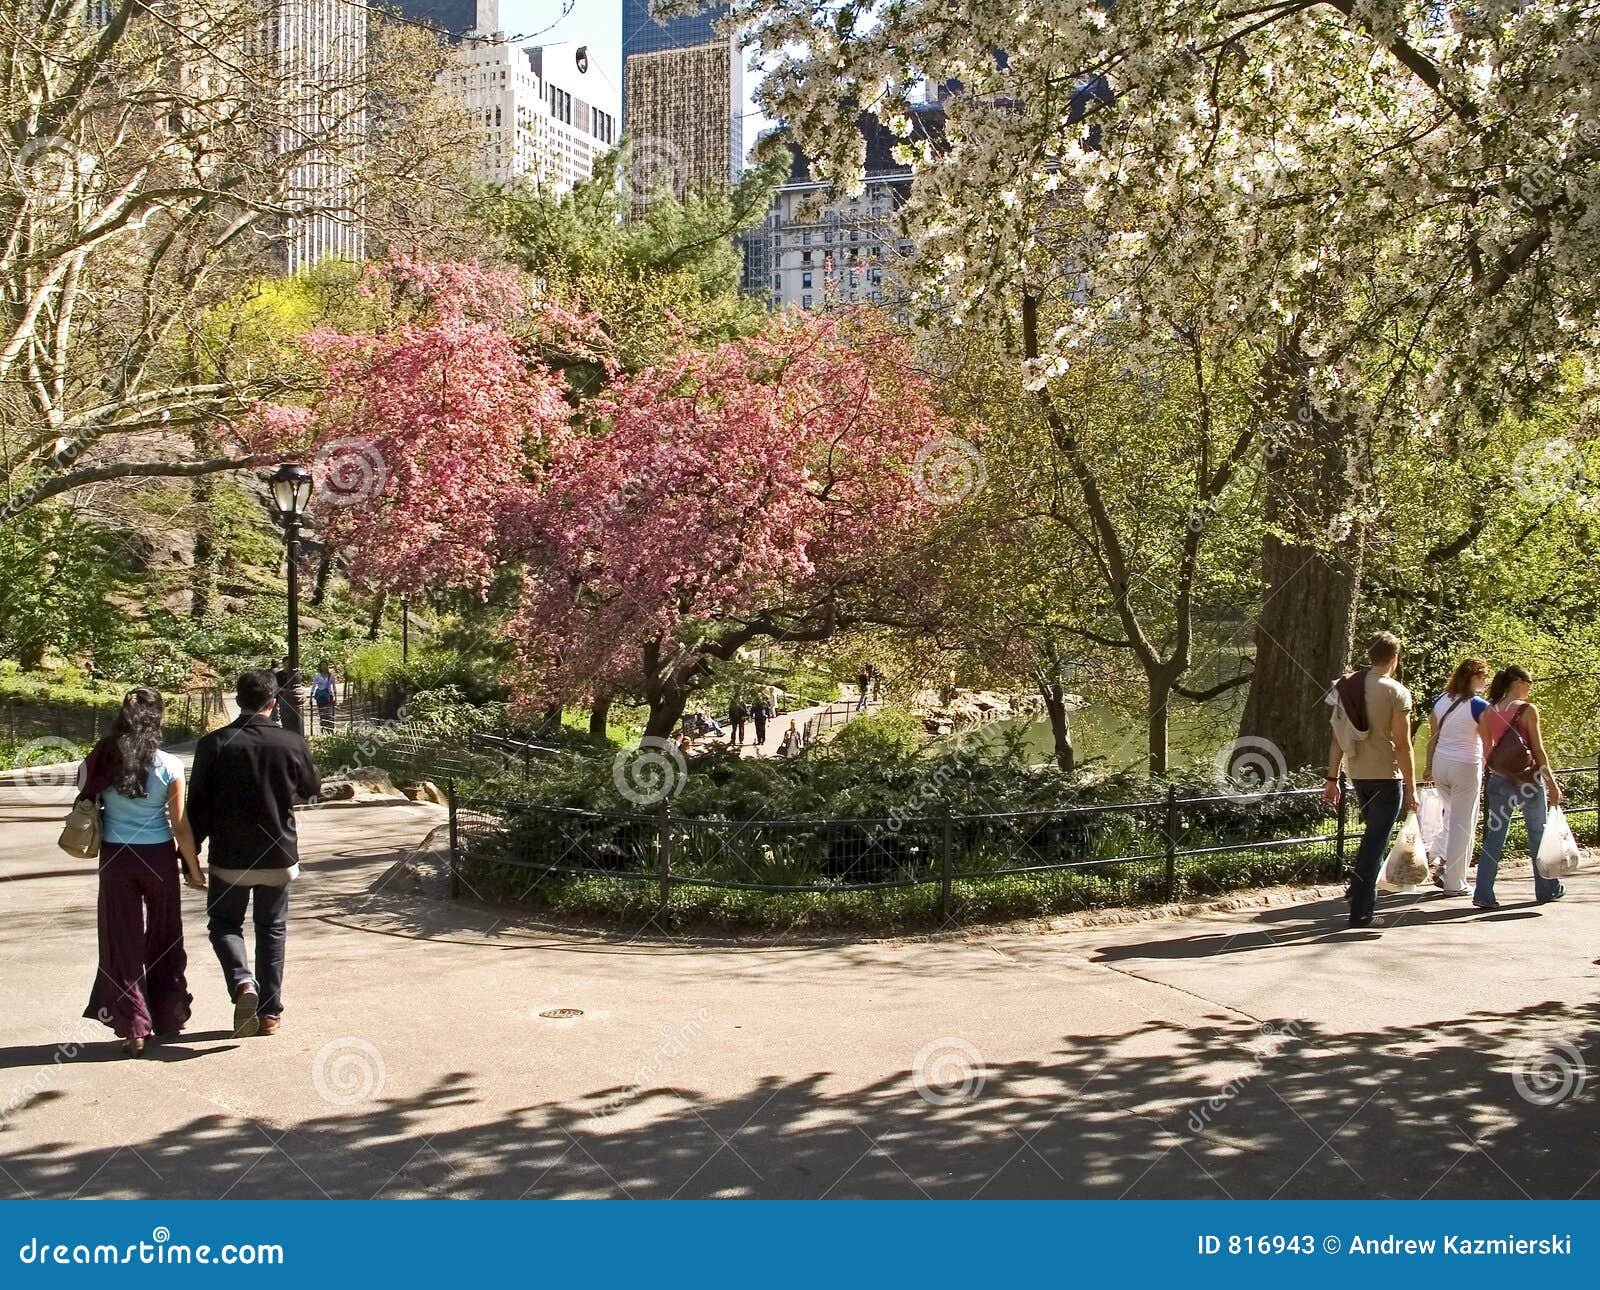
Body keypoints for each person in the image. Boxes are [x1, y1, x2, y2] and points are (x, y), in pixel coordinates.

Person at [187, 670, 321, 1038]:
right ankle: (271, 1013)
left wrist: (190, 856)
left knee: (225, 925)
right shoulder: (291, 742)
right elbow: (312, 790)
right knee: (272, 929)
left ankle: (242, 982)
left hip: (229, 856)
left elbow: (195, 806)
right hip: (278, 852)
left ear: (237, 700)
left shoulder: (212, 744)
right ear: (273, 702)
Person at [80, 688, 207, 1057]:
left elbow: (83, 795)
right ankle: (169, 1014)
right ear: (159, 720)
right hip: (159, 858)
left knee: (122, 942)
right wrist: (193, 869)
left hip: (117, 857)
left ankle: (134, 1025)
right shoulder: (169, 764)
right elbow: (180, 825)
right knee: (165, 936)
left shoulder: (103, 758)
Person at [1322, 631, 1418, 929]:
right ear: (1394, 659)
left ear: (1370, 655)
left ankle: (1357, 893)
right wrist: (1412, 787)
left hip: (1358, 775)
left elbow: (1338, 737)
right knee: (1375, 843)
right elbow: (1402, 745)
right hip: (1387, 777)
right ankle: (1362, 913)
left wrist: (1332, 777)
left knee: (1371, 839)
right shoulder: (1396, 692)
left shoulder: (1347, 687)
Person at [1473, 666, 1566, 910]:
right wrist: (1552, 784)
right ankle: (1547, 889)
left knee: (1494, 837)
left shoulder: (1486, 712)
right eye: (1529, 682)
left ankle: (1483, 893)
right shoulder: (1527, 710)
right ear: (1517, 682)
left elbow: (1487, 752)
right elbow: (1538, 750)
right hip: (1528, 781)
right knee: (1537, 833)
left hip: (1499, 779)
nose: (1530, 688)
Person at [1423, 657, 1490, 896]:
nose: (1486, 681)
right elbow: (1486, 741)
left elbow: (1433, 736)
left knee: (1451, 817)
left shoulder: (1441, 700)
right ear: (1473, 678)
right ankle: (1455, 882)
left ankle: (1439, 861)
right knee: (1464, 823)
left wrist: (1429, 765)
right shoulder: (1479, 706)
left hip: (1441, 764)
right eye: (1483, 676)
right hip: (1466, 765)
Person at [311, 662, 337, 734]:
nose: (324, 667)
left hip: (329, 695)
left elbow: (334, 686)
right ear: (320, 667)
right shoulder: (317, 676)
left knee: (329, 713)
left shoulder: (331, 676)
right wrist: (311, 696)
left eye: (325, 665)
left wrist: (335, 696)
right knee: (322, 713)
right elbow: (314, 686)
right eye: (322, 665)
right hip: (320, 696)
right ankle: (323, 729)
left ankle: (330, 729)